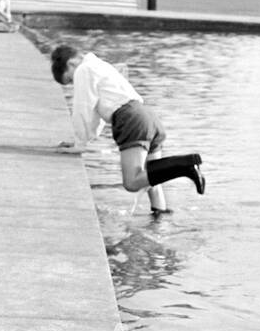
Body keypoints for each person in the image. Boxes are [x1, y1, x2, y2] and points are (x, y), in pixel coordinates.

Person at [51, 43, 204, 214]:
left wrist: (79, 143)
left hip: (130, 119)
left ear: (71, 64)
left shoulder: (83, 70)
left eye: (70, 80)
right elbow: (94, 114)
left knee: (132, 182)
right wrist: (84, 139)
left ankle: (186, 166)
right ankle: (160, 217)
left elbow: (83, 108)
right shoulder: (100, 65)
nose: (73, 83)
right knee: (152, 180)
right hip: (148, 116)